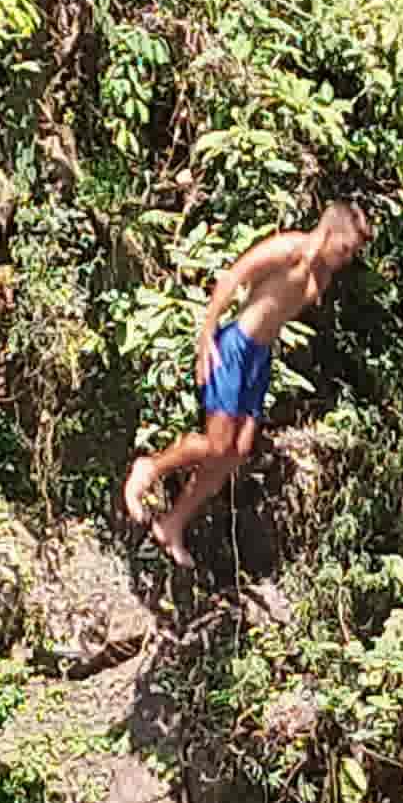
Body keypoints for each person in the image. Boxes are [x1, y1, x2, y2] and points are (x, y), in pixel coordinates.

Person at [121, 203, 368, 565]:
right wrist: (206, 335)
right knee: (216, 444)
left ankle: (173, 523)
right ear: (329, 233)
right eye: (345, 249)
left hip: (259, 358)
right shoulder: (289, 249)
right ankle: (150, 468)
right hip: (235, 346)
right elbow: (233, 277)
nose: (346, 259)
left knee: (236, 452)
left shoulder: (323, 276)